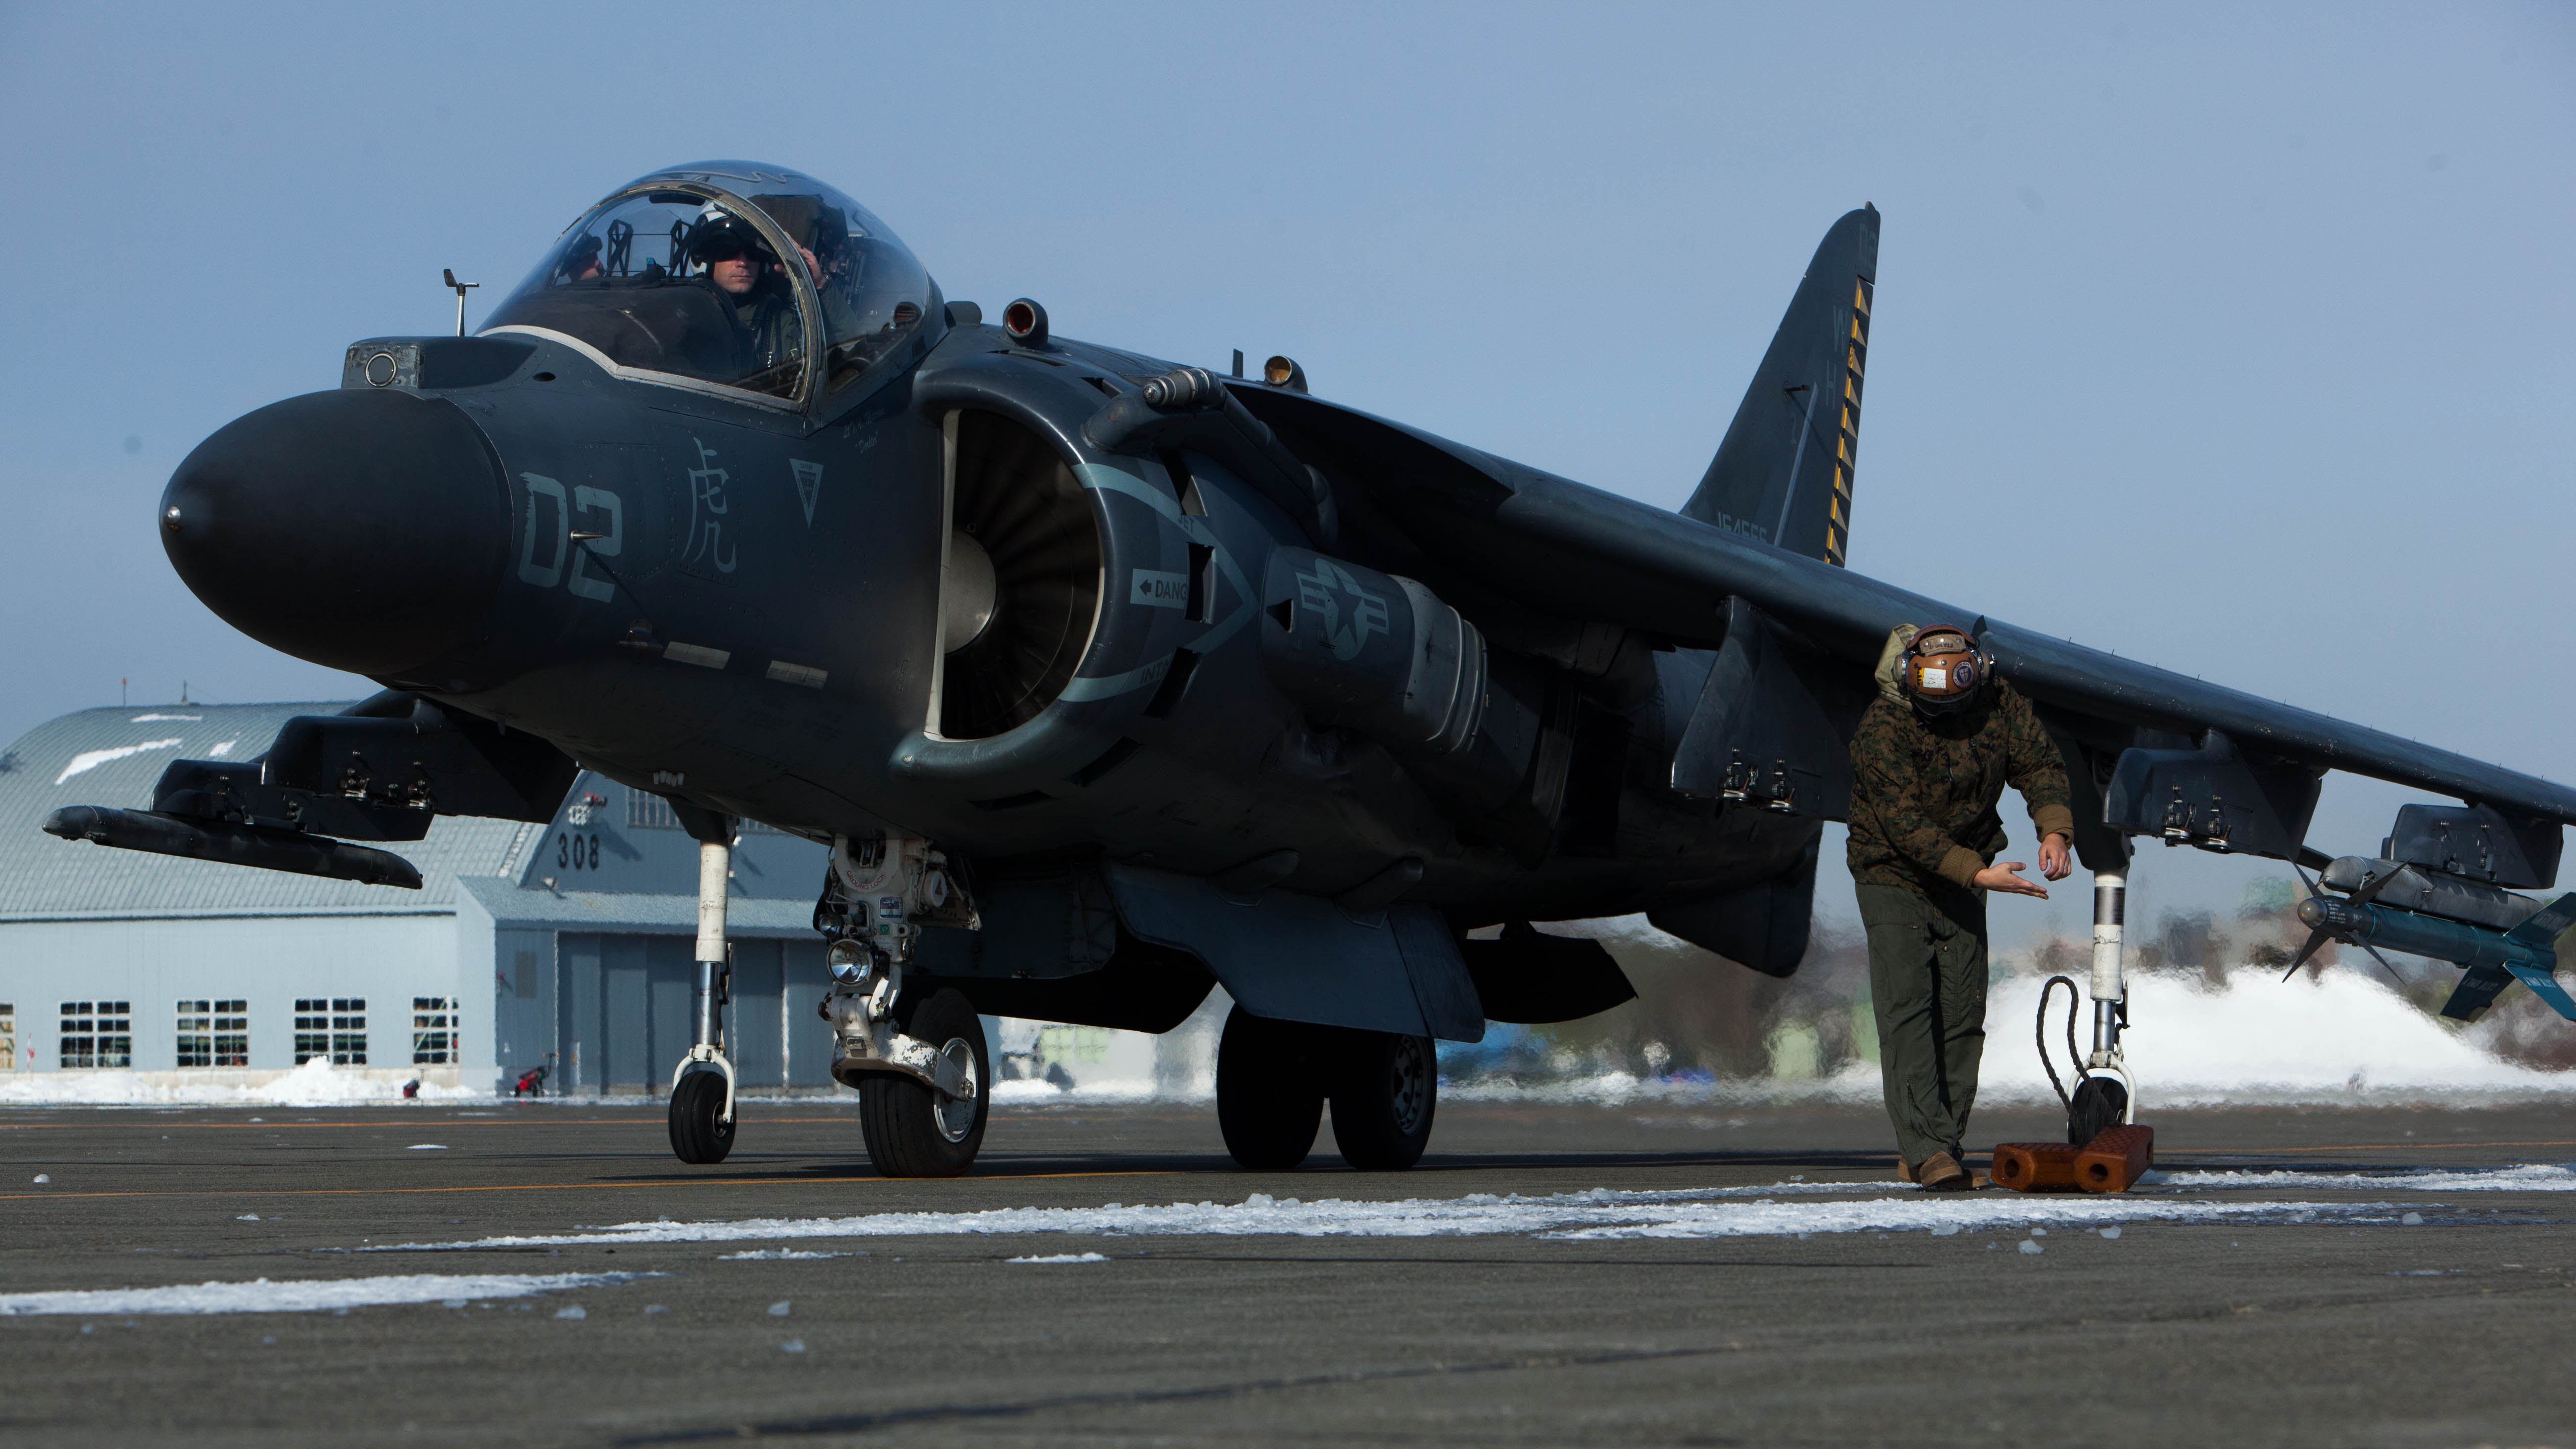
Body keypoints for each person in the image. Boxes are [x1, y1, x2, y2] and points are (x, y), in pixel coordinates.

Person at [1847, 623, 2076, 1191]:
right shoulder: (1882, 728)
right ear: (1910, 679)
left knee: (1963, 1014)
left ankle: (1939, 1147)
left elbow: (2039, 763)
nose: (1948, 708)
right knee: (1909, 1011)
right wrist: (1977, 872)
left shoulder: (1997, 701)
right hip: (1894, 875)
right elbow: (1904, 824)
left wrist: (2054, 830)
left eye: (1960, 693)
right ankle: (1927, 1150)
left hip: (1968, 876)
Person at [686, 209, 803, 385]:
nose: (743, 263)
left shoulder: (781, 321)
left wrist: (819, 286)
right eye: (729, 250)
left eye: (753, 251)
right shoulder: (682, 312)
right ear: (705, 258)